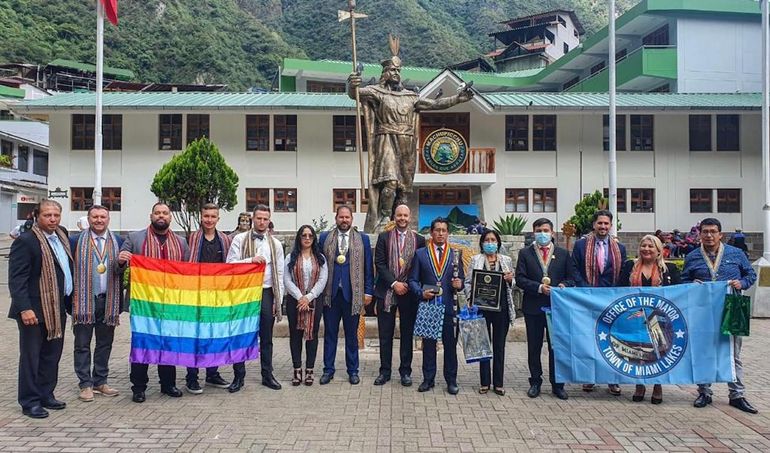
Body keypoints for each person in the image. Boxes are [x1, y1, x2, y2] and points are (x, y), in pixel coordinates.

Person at [348, 35, 474, 231]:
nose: (396, 73)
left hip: (407, 144)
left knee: (403, 189)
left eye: (398, 70)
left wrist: (458, 98)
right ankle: (383, 219)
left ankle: (400, 221)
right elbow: (354, 94)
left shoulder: (410, 96)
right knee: (389, 182)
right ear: (385, 72)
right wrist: (352, 83)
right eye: (392, 70)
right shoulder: (377, 92)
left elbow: (435, 104)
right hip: (387, 140)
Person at [682, 218, 758, 414]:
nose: (709, 235)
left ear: (720, 234)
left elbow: (750, 275)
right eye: (705, 231)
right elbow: (684, 280)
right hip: (703, 311)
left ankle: (737, 394)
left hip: (732, 307)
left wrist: (742, 283)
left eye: (713, 231)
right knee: (703, 351)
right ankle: (704, 392)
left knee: (733, 352)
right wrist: (693, 285)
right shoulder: (692, 256)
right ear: (699, 234)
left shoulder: (736, 253)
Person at [119, 202, 190, 403]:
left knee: (168, 343)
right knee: (142, 343)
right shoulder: (134, 238)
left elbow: (186, 273)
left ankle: (168, 384)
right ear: (151, 216)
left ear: (170, 217)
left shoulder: (181, 242)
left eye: (165, 213)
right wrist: (122, 260)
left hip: (171, 303)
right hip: (144, 304)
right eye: (157, 213)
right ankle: (139, 387)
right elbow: (118, 268)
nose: (161, 216)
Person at [8, 200, 72, 418]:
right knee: (31, 357)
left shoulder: (61, 234)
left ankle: (46, 394)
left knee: (51, 355)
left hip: (57, 307)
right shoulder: (26, 241)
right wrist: (24, 308)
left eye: (56, 215)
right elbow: (17, 279)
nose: (52, 219)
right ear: (37, 216)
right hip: (34, 310)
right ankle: (29, 401)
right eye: (47, 215)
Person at [227, 204, 285, 392]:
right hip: (244, 291)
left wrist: (279, 300)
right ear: (253, 218)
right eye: (258, 218)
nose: (261, 222)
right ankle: (238, 376)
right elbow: (230, 265)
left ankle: (267, 375)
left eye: (265, 219)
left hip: (267, 291)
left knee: (266, 336)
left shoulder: (275, 244)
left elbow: (280, 273)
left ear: (269, 220)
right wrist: (250, 261)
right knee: (241, 334)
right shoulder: (239, 239)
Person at [515, 218, 574, 400]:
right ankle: (535, 382)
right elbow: (520, 279)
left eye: (546, 230)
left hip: (557, 308)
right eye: (539, 230)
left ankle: (558, 384)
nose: (542, 233)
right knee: (534, 346)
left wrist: (564, 284)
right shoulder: (525, 253)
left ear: (552, 233)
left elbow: (572, 278)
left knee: (556, 347)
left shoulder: (563, 254)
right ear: (534, 232)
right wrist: (539, 287)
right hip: (533, 306)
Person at [618, 234, 681, 405]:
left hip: (660, 319)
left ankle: (658, 385)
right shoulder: (630, 266)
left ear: (659, 250)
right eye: (644, 245)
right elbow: (618, 290)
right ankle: (640, 385)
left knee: (658, 351)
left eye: (651, 246)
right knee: (638, 351)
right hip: (634, 319)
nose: (646, 249)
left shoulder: (669, 269)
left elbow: (679, 293)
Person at [70, 205, 124, 403]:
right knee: (82, 344)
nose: (99, 220)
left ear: (108, 219)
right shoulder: (75, 241)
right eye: (95, 217)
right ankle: (85, 384)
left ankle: (100, 381)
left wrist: (122, 264)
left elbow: (121, 271)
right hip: (84, 301)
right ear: (89, 218)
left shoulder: (118, 241)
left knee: (104, 344)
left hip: (108, 301)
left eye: (103, 217)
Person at [572, 209, 627, 395]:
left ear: (611, 226)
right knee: (589, 339)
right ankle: (589, 378)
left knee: (612, 341)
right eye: (600, 223)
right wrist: (586, 290)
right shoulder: (580, 245)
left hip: (611, 302)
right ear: (594, 225)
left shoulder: (620, 248)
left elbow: (623, 275)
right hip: (587, 300)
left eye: (606, 223)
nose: (603, 226)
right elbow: (574, 270)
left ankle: (612, 379)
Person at [408, 217, 464, 395]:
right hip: (428, 304)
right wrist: (420, 293)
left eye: (444, 230)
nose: (440, 233)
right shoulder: (421, 254)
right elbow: (412, 280)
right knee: (429, 346)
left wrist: (459, 284)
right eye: (437, 230)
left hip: (449, 306)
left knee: (450, 345)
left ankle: (451, 380)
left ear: (448, 233)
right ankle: (428, 379)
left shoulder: (456, 254)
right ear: (431, 232)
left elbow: (461, 279)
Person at [319, 205, 374, 385]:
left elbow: (368, 268)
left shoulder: (363, 239)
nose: (344, 220)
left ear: (352, 219)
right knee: (330, 334)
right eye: (341, 217)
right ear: (336, 218)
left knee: (352, 336)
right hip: (330, 294)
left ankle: (353, 371)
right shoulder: (325, 238)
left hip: (353, 295)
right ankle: (328, 370)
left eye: (347, 217)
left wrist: (368, 291)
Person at [373, 204, 425, 387]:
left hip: (409, 293)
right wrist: (394, 284)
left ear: (409, 217)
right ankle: (384, 372)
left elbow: (420, 266)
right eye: (399, 215)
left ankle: (405, 372)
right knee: (385, 334)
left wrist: (407, 284)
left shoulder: (419, 240)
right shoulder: (383, 237)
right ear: (394, 217)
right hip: (387, 291)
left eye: (405, 215)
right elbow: (379, 263)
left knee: (406, 334)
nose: (402, 218)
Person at [184, 203, 232, 394]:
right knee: (194, 336)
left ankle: (212, 373)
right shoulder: (191, 239)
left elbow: (232, 265)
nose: (209, 220)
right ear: (200, 217)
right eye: (206, 216)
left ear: (218, 219)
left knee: (215, 334)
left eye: (213, 216)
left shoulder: (225, 240)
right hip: (195, 294)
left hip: (218, 296)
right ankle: (192, 376)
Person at [464, 229, 514, 395]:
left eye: (493, 240)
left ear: (498, 243)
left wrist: (510, 279)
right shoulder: (475, 260)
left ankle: (498, 383)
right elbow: (468, 282)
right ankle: (484, 382)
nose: (490, 243)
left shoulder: (506, 260)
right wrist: (470, 299)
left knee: (499, 346)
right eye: (487, 240)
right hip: (482, 309)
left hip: (502, 309)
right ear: (482, 243)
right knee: (483, 345)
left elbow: (513, 283)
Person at [284, 225, 328, 386]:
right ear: (299, 238)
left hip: (314, 302)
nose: (307, 238)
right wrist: (300, 297)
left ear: (314, 238)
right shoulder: (291, 257)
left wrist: (308, 297)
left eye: (310, 235)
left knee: (312, 334)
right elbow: (286, 279)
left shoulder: (320, 258)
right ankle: (297, 370)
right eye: (304, 235)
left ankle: (309, 370)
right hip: (294, 301)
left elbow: (323, 280)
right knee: (295, 335)